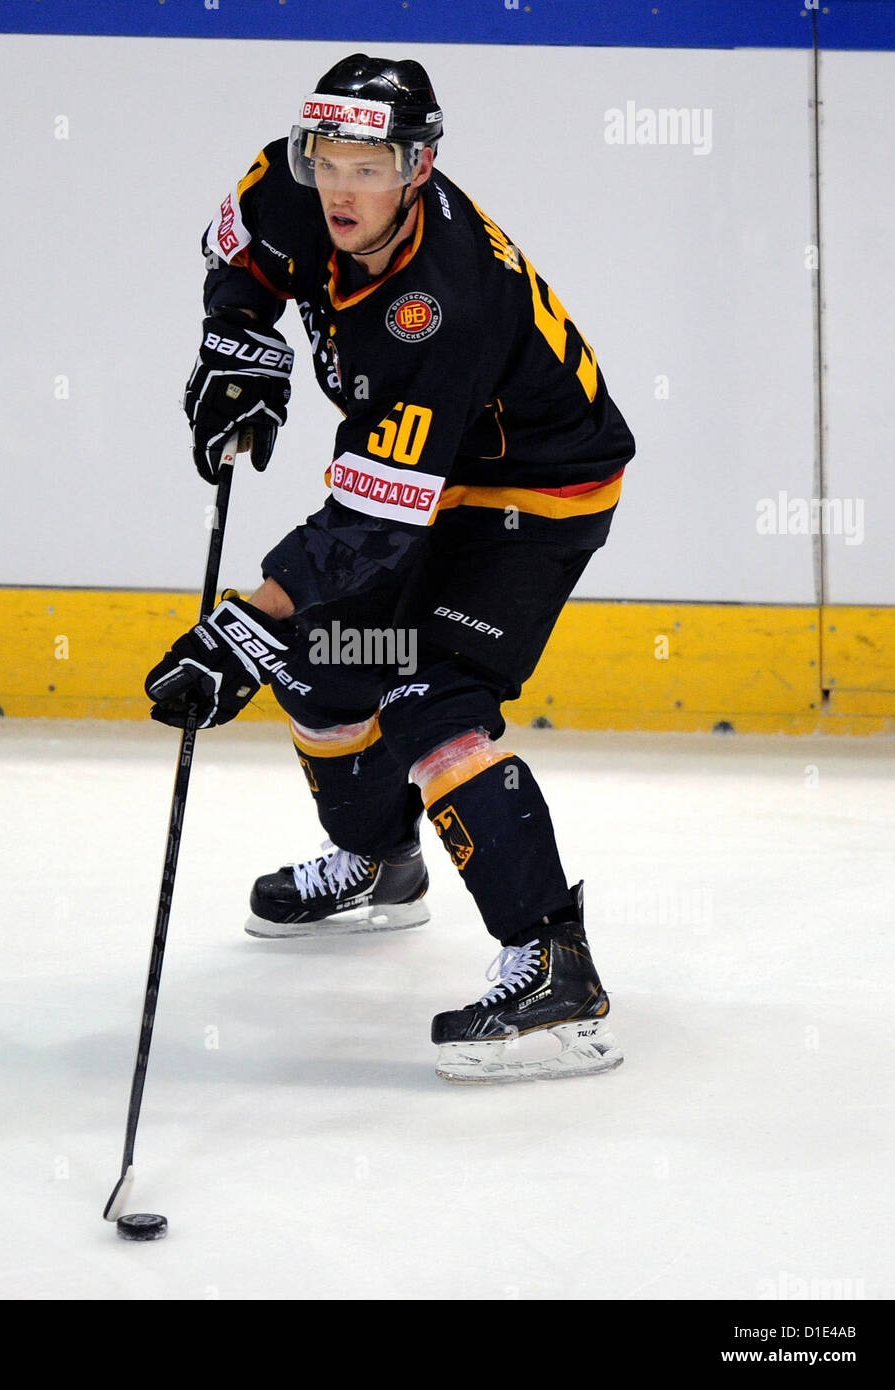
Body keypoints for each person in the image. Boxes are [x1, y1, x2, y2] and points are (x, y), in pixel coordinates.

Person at [146, 54, 635, 1083]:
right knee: (322, 666)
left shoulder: (439, 302)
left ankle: (555, 968)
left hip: (528, 495)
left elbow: (370, 524)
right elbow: (237, 255)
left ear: (416, 167)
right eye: (328, 157)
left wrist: (244, 620)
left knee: (428, 692)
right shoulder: (292, 182)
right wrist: (238, 338)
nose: (339, 187)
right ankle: (380, 860)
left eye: (369, 164)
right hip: (430, 477)